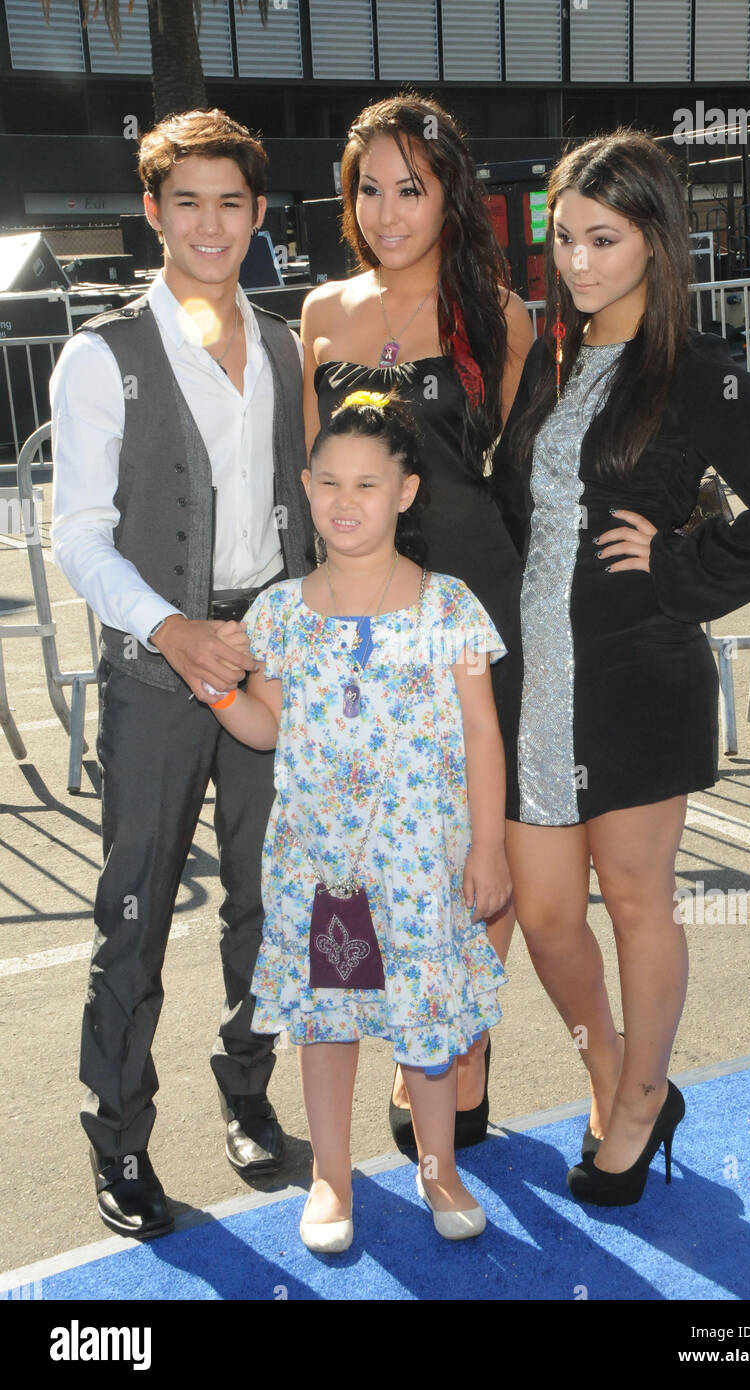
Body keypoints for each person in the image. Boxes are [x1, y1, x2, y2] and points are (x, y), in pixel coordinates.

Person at [491, 129, 750, 1207]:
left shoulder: (692, 374)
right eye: (563, 239)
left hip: (635, 684)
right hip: (536, 692)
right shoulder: (553, 357)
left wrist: (685, 562)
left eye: (603, 238)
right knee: (547, 917)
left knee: (636, 904)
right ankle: (610, 1071)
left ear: (655, 242)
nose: (578, 261)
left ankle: (637, 1103)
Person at [50, 109, 311, 1239]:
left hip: (271, 660)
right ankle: (119, 1136)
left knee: (268, 905)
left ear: (258, 217)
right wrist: (168, 629)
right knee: (136, 911)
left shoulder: (290, 342)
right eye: (188, 202)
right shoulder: (100, 353)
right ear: (154, 213)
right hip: (161, 669)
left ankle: (247, 1091)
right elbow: (78, 533)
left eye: (232, 203)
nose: (212, 225)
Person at [205, 391, 510, 1251]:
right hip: (323, 868)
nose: (346, 500)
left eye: (368, 484)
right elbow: (266, 726)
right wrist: (219, 689)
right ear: (305, 487)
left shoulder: (447, 606)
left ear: (405, 492)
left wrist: (488, 844)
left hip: (421, 867)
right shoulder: (279, 613)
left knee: (426, 1021)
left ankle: (438, 1169)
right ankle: (332, 1182)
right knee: (329, 1020)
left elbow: (484, 733)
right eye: (330, 482)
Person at [301, 92, 534, 1151]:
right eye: (369, 188)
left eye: (412, 187)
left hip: (474, 606)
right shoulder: (322, 314)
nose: (389, 211)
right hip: (366, 624)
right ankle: (416, 1038)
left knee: (483, 848)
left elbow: (527, 484)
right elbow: (322, 491)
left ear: (449, 193)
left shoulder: (494, 310)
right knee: (383, 849)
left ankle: (464, 1044)